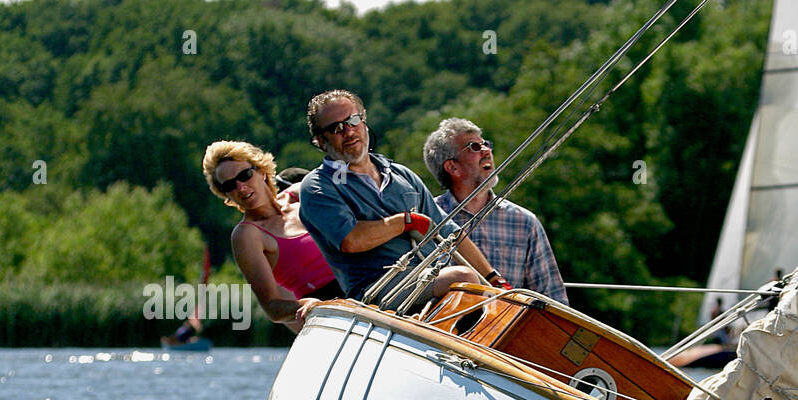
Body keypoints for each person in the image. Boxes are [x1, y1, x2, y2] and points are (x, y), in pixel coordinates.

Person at [298, 90, 502, 311]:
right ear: (319, 140)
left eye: (353, 120)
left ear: (364, 122)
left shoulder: (401, 175)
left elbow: (451, 233)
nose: (349, 131)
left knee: (501, 297)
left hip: (427, 280)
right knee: (462, 276)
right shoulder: (318, 186)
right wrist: (405, 221)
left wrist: (494, 280)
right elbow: (351, 240)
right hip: (373, 293)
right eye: (336, 128)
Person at [423, 117, 569, 303]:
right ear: (453, 167)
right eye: (474, 147)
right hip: (441, 327)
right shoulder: (429, 220)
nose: (487, 151)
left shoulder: (524, 222)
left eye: (486, 144)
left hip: (505, 328)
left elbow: (552, 297)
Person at [202, 141, 341, 335]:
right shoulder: (247, 235)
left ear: (261, 171)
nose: (241, 188)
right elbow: (272, 308)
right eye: (230, 185)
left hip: (366, 280)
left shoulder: (300, 193)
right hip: (331, 310)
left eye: (245, 175)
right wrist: (306, 305)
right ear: (226, 195)